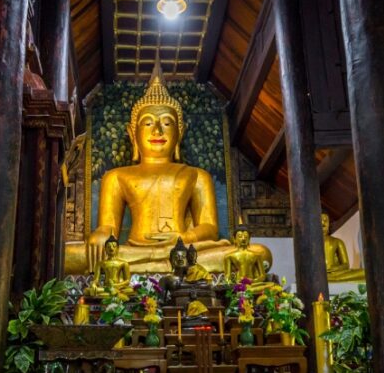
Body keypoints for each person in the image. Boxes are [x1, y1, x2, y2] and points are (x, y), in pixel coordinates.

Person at [64, 61, 271, 274]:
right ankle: (164, 267)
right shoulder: (116, 177)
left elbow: (209, 228)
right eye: (147, 123)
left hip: (185, 251)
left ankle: (155, 268)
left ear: (179, 133)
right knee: (69, 257)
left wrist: (183, 238)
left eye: (166, 123)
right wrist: (101, 235)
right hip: (134, 251)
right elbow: (109, 227)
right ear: (132, 133)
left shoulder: (197, 176)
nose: (157, 130)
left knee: (258, 252)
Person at [224, 225, 274, 292]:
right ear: (234, 238)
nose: (243, 238)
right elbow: (227, 277)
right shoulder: (229, 256)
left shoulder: (256, 255)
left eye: (246, 236)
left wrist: (253, 281)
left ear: (249, 238)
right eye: (240, 236)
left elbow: (262, 276)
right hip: (238, 285)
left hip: (253, 285)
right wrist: (234, 282)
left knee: (270, 285)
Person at [322, 213, 365, 282]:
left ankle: (329, 279)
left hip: (334, 274)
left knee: (364, 273)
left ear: (329, 223)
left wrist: (333, 268)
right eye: (319, 220)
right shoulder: (310, 243)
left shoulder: (337, 241)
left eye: (325, 220)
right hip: (317, 274)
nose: (323, 223)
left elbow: (346, 265)